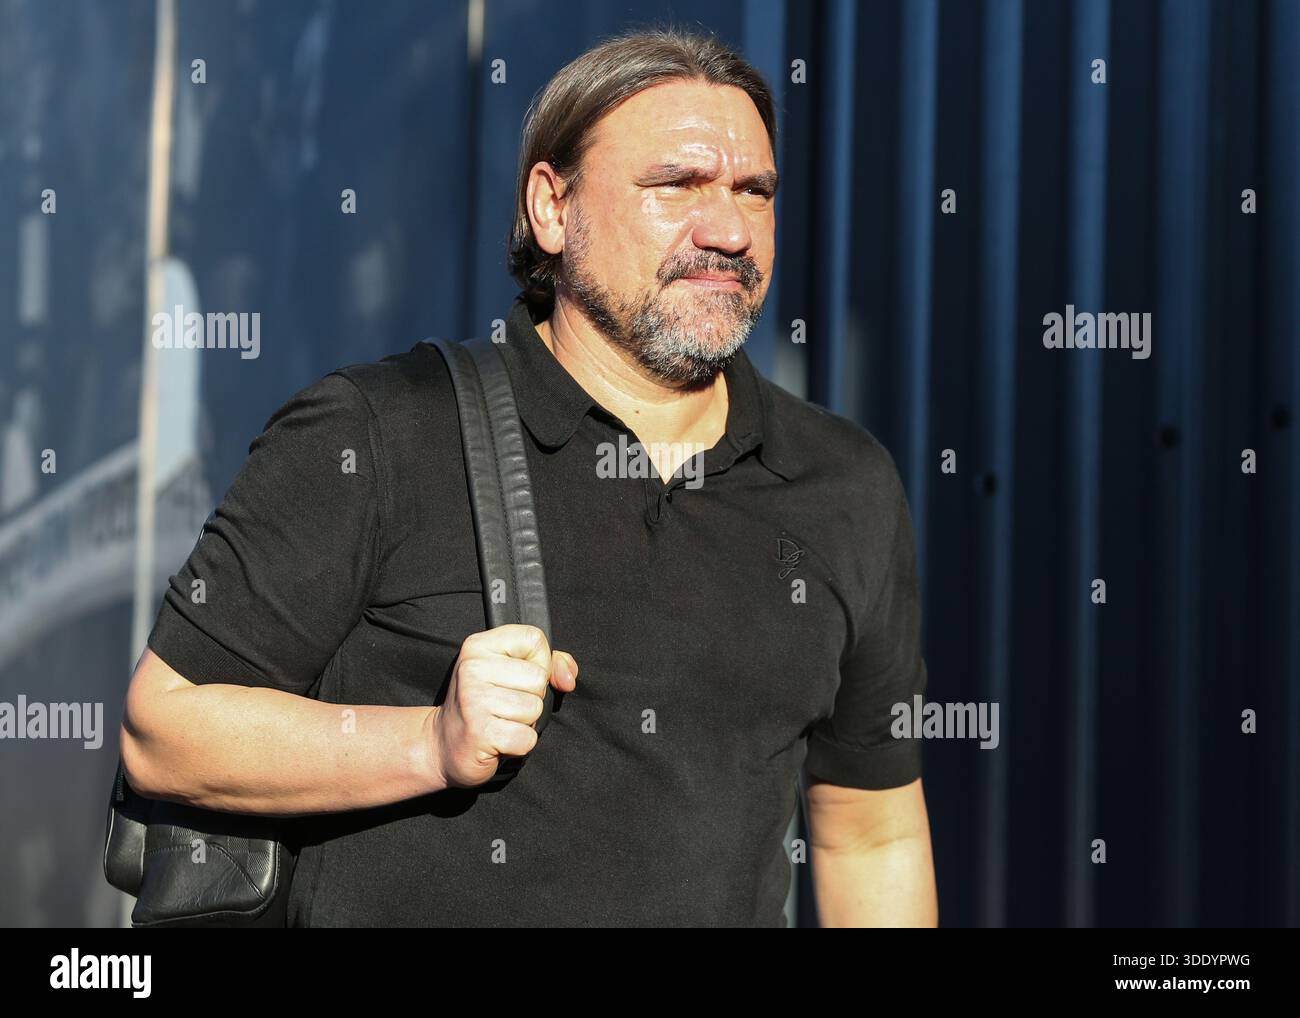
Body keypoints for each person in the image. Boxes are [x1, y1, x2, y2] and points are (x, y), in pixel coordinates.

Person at [119, 26, 937, 927]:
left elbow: (870, 832)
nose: (730, 229)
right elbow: (165, 730)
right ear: (553, 206)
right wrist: (429, 743)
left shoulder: (843, 484)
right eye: (677, 186)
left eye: (755, 192)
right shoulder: (379, 430)